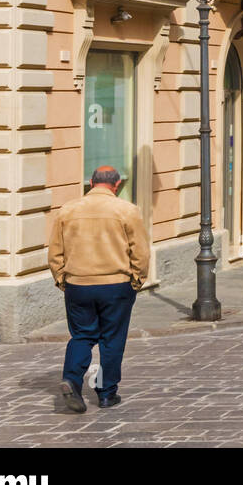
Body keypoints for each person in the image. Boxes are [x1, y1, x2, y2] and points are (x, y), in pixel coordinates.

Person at [48, 166, 149, 413]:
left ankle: (72, 380)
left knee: (82, 335)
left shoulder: (67, 210)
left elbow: (55, 252)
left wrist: (62, 279)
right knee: (111, 340)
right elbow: (141, 252)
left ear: (91, 183)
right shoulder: (127, 210)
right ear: (116, 186)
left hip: (78, 285)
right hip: (115, 284)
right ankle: (106, 393)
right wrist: (137, 279)